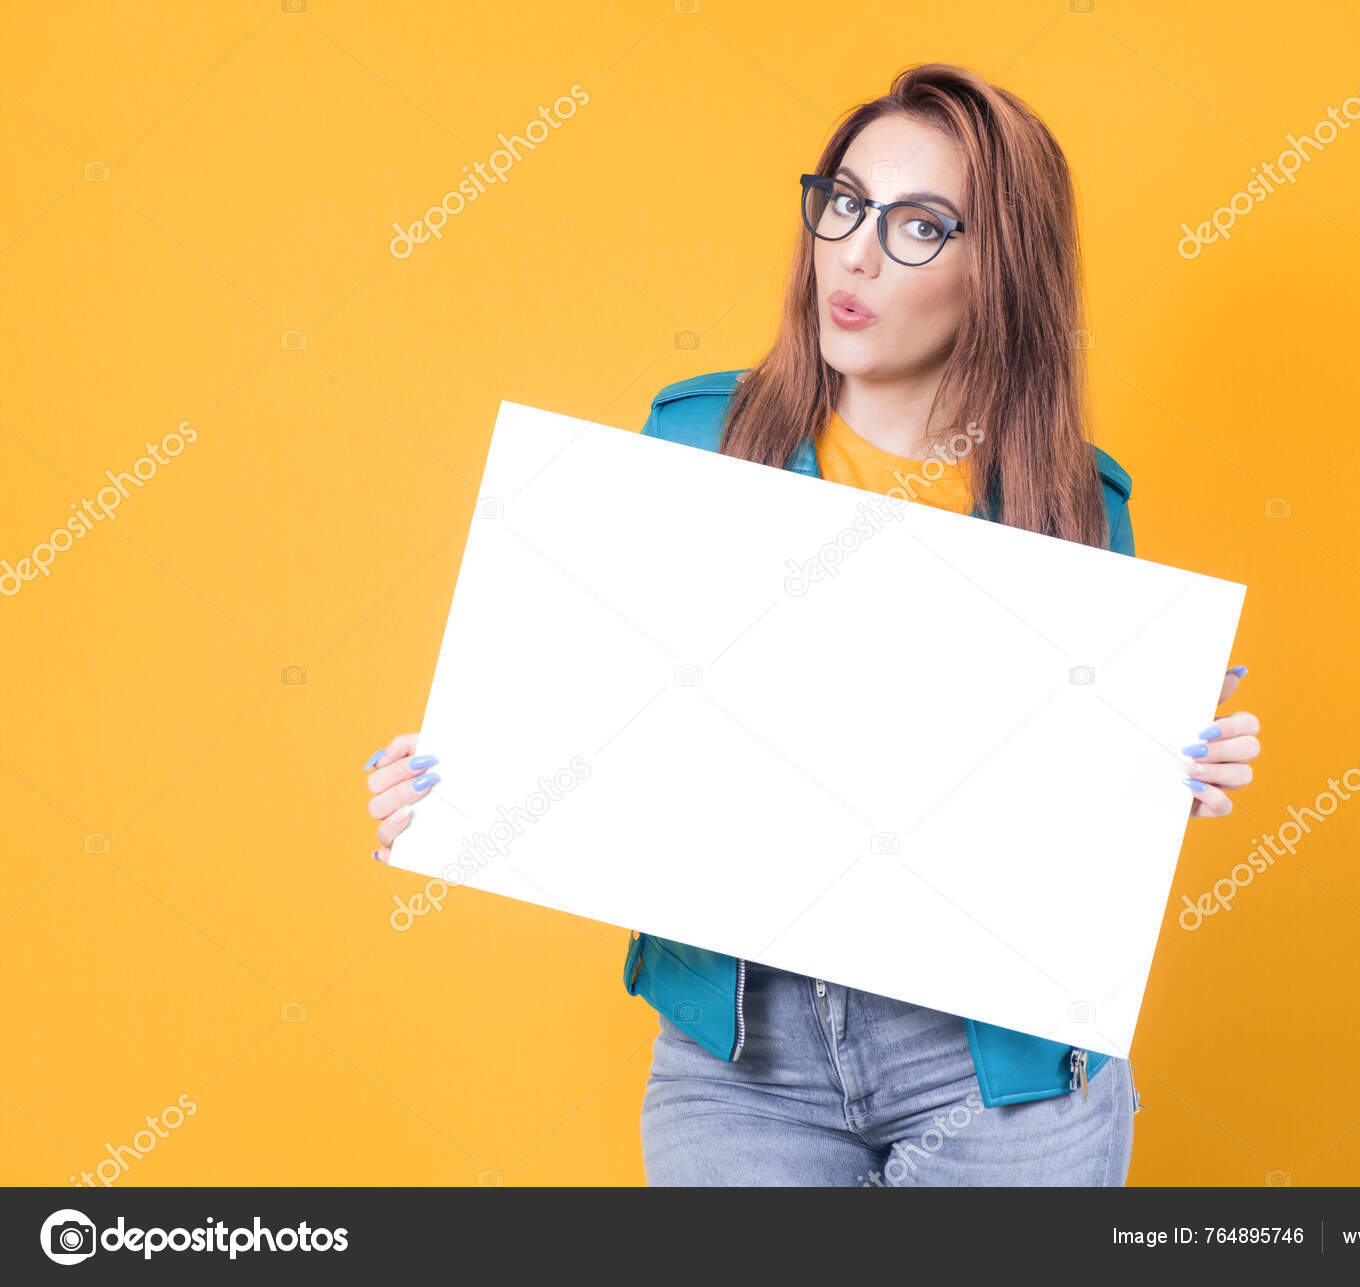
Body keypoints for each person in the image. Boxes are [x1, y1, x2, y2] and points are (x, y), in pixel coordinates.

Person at [363, 63, 1261, 1186]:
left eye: (920, 226)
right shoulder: (696, 441)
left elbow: (1067, 819)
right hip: (742, 1061)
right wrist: (464, 786)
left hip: (995, 1074)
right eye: (843, 202)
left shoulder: (1076, 500)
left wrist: (1173, 762)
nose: (856, 252)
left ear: (1001, 270)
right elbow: (605, 718)